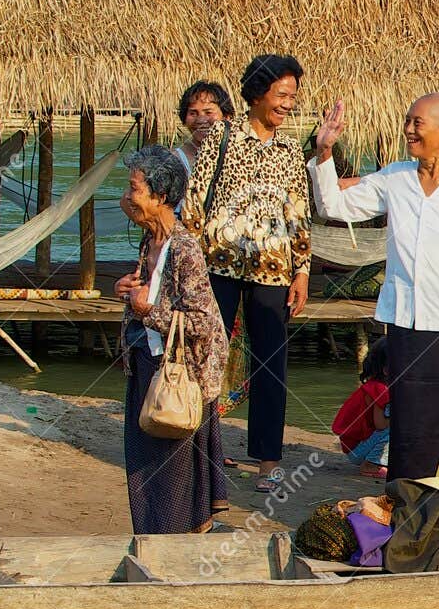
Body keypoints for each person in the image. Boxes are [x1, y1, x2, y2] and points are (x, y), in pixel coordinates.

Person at [309, 94, 439, 484]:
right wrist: (324, 151)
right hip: (406, 321)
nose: (409, 130)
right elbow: (333, 206)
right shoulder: (393, 178)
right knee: (410, 422)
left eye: (418, 123)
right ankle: (406, 498)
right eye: (408, 121)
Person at [180, 53, 311, 493]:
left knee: (271, 364)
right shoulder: (220, 135)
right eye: (281, 95)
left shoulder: (291, 150)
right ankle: (199, 449)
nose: (288, 104)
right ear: (257, 93)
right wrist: (188, 262)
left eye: (292, 97)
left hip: (273, 269)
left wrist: (302, 270)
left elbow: (298, 212)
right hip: (217, 263)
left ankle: (267, 462)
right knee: (206, 354)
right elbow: (196, 201)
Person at [114, 146, 229, 535]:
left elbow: (202, 322)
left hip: (178, 373)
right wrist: (128, 291)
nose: (127, 197)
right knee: (144, 464)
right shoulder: (150, 242)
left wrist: (149, 311)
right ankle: (154, 538)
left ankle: (174, 543)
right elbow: (151, 297)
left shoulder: (184, 248)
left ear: (159, 196)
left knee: (171, 471)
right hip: (148, 362)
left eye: (134, 189)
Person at [333, 338, 391, 479]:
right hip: (357, 450)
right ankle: (371, 465)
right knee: (395, 428)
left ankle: (376, 461)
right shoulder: (380, 390)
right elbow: (381, 425)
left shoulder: (375, 385)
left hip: (354, 447)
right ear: (386, 370)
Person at [173, 81, 235, 182]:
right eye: (193, 113)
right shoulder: (175, 161)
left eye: (208, 112)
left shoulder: (241, 157)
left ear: (226, 116)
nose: (201, 120)